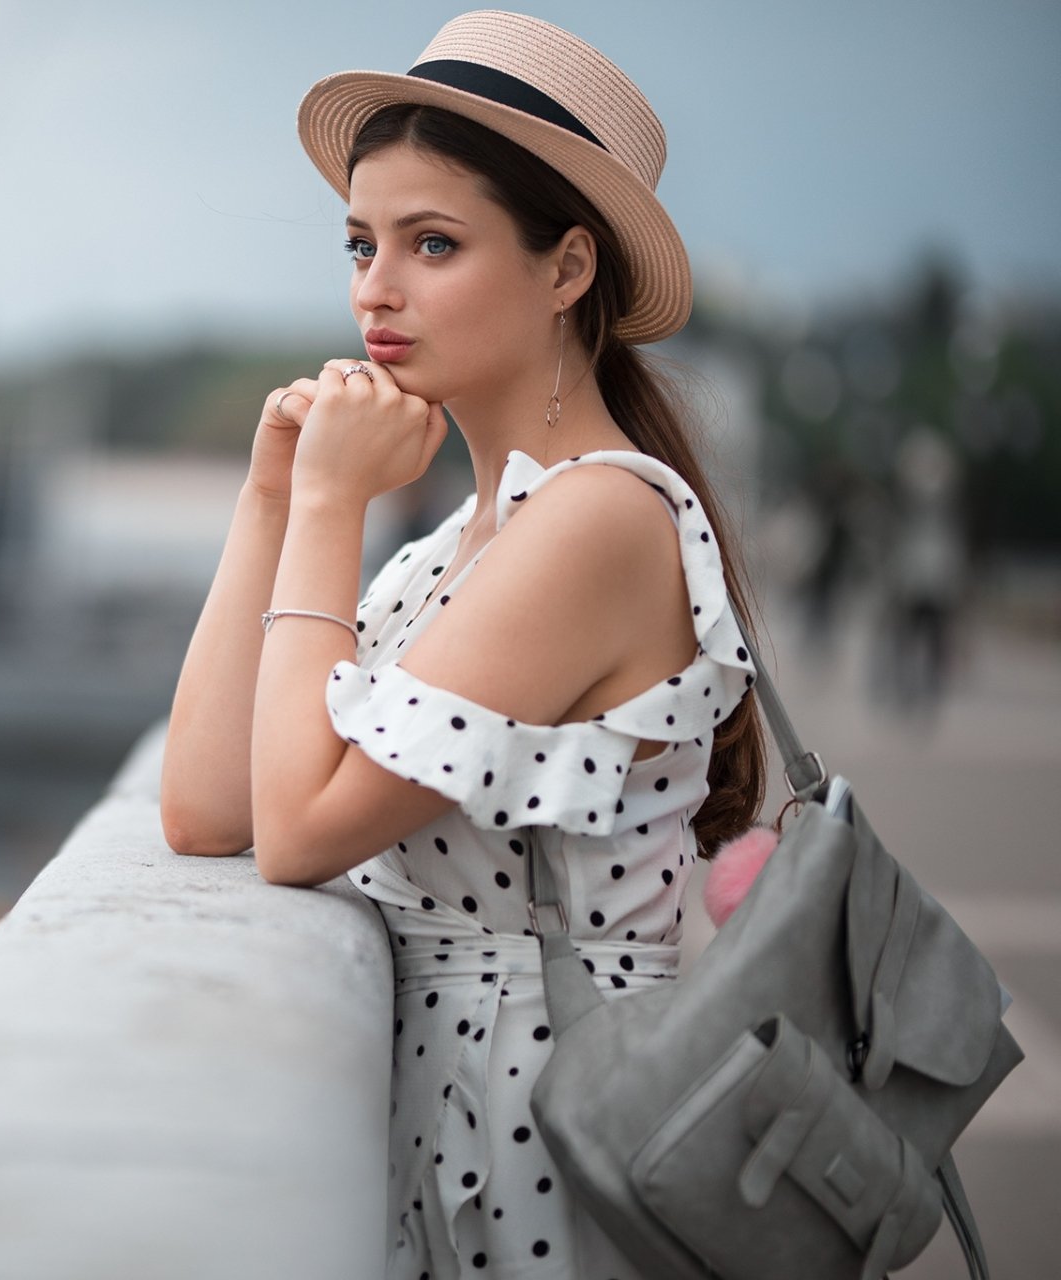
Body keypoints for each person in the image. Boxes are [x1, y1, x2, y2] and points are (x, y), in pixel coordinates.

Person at [158, 12, 767, 1278]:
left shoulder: (600, 516)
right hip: (457, 1131)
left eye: (434, 243)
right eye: (361, 243)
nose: (376, 287)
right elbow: (209, 808)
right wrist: (274, 496)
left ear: (566, 268)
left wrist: (332, 507)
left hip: (551, 1141)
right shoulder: (460, 549)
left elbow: (303, 827)